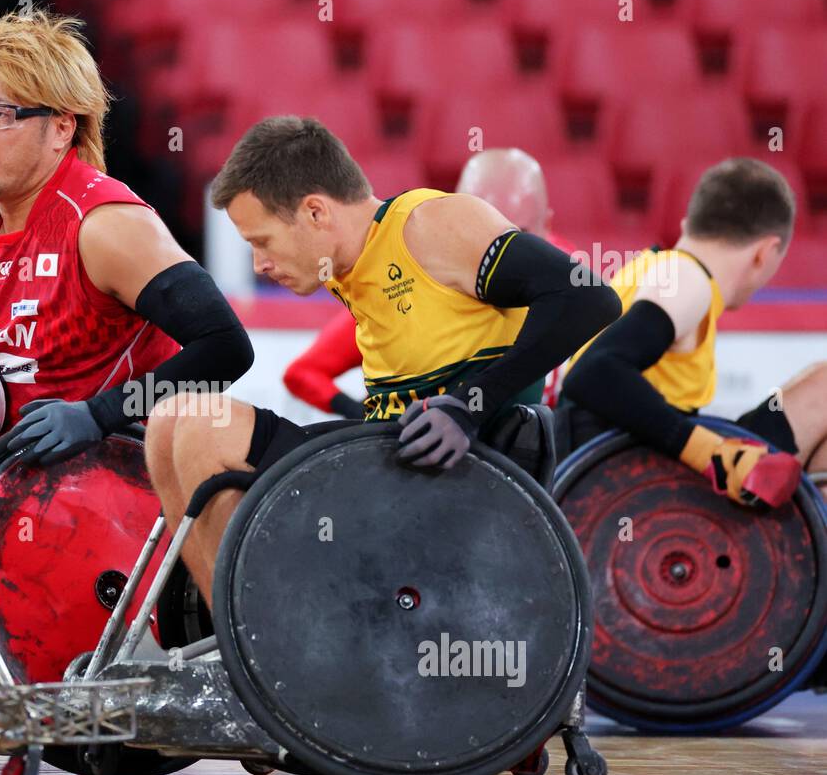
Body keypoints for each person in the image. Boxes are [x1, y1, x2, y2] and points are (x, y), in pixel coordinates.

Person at [145, 117, 621, 602]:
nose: (259, 265)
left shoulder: (432, 226)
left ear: (315, 213)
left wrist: (467, 407)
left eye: (261, 241)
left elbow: (592, 299)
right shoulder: (345, 264)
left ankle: (256, 643)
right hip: (378, 461)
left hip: (444, 480)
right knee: (169, 420)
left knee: (206, 429)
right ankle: (239, 628)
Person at [0, 10, 252, 506]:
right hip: (6, 479)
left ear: (61, 128)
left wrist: (99, 415)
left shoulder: (106, 225)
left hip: (107, 480)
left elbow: (227, 349)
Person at [561, 157, 826, 507]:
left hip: (627, 470)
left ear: (688, 225)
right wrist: (710, 453)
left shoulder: (652, 269)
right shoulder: (687, 279)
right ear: (765, 252)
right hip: (644, 487)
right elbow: (592, 373)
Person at [284, 147, 579, 417]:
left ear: (547, 226)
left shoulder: (574, 282)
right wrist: (364, 420)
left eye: (519, 233)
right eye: (484, 228)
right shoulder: (410, 282)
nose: (499, 247)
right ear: (457, 219)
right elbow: (303, 373)